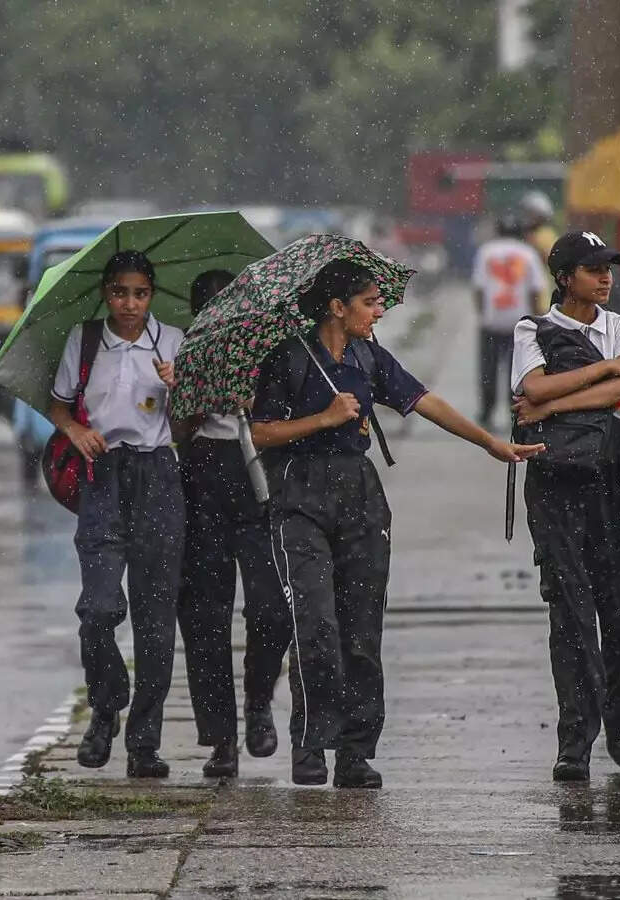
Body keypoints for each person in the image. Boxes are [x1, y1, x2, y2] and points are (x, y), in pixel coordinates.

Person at [251, 259, 543, 788]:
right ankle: (312, 742)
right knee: (315, 625)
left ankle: (356, 752)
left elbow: (424, 400)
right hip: (300, 497)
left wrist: (489, 443)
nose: (379, 310)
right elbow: (263, 434)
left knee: (362, 630)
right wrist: (323, 419)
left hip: (360, 496)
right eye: (369, 302)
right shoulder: (288, 358)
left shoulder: (368, 356)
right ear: (337, 308)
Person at [510, 231, 620, 782]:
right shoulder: (533, 330)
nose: (605, 278)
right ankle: (576, 737)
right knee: (570, 611)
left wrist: (560, 392)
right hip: (557, 479)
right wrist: (604, 374)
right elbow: (531, 387)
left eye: (609, 268)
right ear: (564, 277)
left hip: (617, 477)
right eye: (592, 269)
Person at [48, 250, 185, 778]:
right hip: (102, 477)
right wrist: (74, 430)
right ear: (105, 293)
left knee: (155, 620)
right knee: (99, 609)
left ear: (152, 295)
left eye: (140, 293)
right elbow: (59, 404)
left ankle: (144, 742)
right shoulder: (84, 341)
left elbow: (192, 423)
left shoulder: (172, 342)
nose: (130, 304)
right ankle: (106, 706)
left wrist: (182, 388)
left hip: (159, 478)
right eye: (120, 292)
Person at [176, 269, 292, 778]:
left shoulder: (273, 350)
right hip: (203, 477)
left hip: (260, 481)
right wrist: (188, 398)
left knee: (271, 607)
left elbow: (287, 418)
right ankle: (220, 737)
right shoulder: (188, 355)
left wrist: (256, 403)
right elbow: (176, 431)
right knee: (205, 614)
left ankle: (259, 699)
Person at [471, 212, 548, 429]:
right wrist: (537, 320)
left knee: (488, 369)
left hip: (492, 321)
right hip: (519, 322)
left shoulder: (486, 252)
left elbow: (478, 288)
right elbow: (536, 290)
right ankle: (515, 413)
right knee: (517, 372)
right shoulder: (528, 253)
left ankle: (487, 412)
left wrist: (482, 313)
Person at [521, 190, 558, 315]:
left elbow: (550, 260)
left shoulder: (544, 235)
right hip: (533, 296)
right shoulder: (535, 234)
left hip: (541, 297)